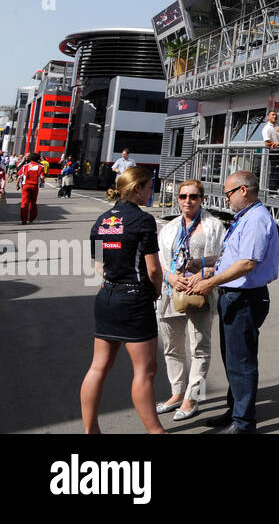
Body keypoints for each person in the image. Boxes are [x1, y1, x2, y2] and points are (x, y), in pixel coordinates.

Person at [189, 169, 279, 433]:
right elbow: (233, 258)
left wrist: (210, 282)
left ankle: (243, 422)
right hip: (235, 296)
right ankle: (235, 412)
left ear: (243, 191)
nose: (226, 198)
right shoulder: (245, 218)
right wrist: (205, 265)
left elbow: (246, 263)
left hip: (246, 298)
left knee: (241, 362)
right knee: (233, 359)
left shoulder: (255, 220)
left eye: (228, 193)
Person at [80, 166, 166, 434]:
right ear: (137, 188)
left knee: (98, 367)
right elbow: (153, 269)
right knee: (145, 370)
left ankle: (91, 430)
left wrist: (115, 277)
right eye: (149, 186)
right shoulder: (143, 221)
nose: (152, 191)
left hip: (106, 294)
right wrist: (155, 290)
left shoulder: (101, 220)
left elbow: (97, 264)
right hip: (134, 298)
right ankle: (155, 431)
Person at [155, 179, 225, 422]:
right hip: (172, 291)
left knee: (199, 347)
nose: (188, 201)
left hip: (199, 292)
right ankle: (176, 393)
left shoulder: (213, 226)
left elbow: (225, 258)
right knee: (172, 346)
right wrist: (170, 277)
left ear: (202, 199)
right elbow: (159, 261)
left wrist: (206, 273)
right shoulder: (169, 228)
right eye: (183, 196)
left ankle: (192, 397)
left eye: (193, 196)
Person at [17, 154, 44, 224]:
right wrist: (42, 181)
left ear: (31, 159)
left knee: (24, 203)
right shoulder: (40, 167)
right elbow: (42, 177)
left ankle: (24, 219)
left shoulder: (25, 166)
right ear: (38, 159)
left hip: (26, 186)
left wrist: (17, 185)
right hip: (34, 186)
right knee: (33, 203)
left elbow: (19, 176)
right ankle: (31, 218)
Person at [261, 110, 279, 192]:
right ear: (268, 117)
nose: (275, 116)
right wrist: (275, 143)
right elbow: (266, 142)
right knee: (275, 170)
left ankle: (275, 189)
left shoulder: (276, 127)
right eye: (272, 115)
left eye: (275, 115)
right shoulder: (267, 128)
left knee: (278, 171)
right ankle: (272, 190)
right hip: (274, 152)